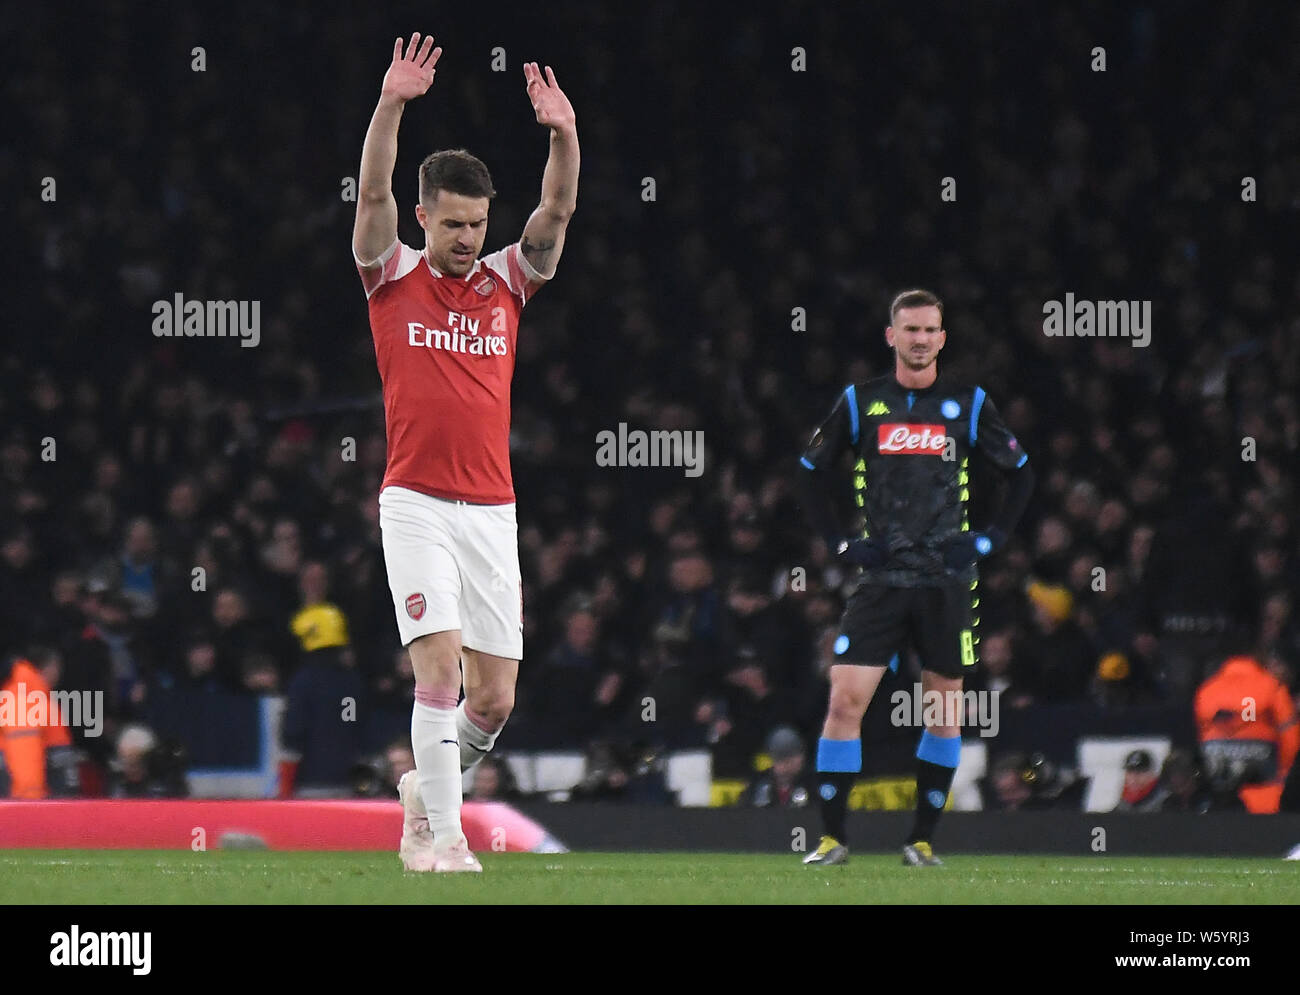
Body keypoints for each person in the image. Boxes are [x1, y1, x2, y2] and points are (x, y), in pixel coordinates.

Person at [352, 32, 579, 872]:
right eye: (452, 223)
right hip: (414, 500)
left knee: (495, 697)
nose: (466, 238)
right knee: (439, 668)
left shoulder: (506, 283)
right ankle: (444, 837)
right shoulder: (390, 274)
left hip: (491, 508)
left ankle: (424, 791)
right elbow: (373, 184)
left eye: (478, 224)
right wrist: (392, 103)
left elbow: (555, 215)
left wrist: (563, 136)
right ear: (424, 216)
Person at [797, 289, 1035, 866]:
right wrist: (842, 543)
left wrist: (988, 540)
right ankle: (832, 839)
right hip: (880, 581)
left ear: (942, 338)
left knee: (943, 710)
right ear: (891, 336)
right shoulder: (860, 402)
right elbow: (809, 470)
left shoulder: (970, 403)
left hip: (946, 582)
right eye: (911, 330)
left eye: (930, 330)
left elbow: (1020, 471)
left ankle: (922, 839)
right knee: (844, 702)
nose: (921, 339)